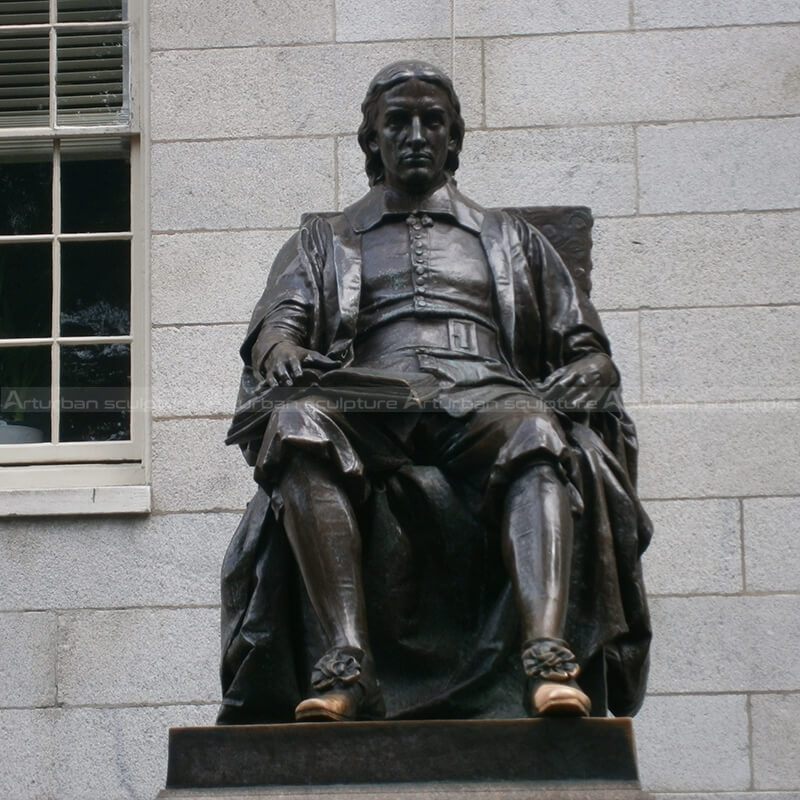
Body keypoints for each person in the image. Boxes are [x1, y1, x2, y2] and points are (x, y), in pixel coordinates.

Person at [218, 61, 651, 724]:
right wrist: (280, 350)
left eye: (433, 121)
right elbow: (280, 323)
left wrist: (596, 368)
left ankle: (546, 658)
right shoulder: (325, 240)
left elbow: (584, 345)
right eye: (398, 122)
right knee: (298, 423)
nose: (416, 135)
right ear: (372, 140)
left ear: (454, 138)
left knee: (536, 428)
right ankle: (346, 664)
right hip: (369, 398)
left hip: (484, 391)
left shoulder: (512, 239)